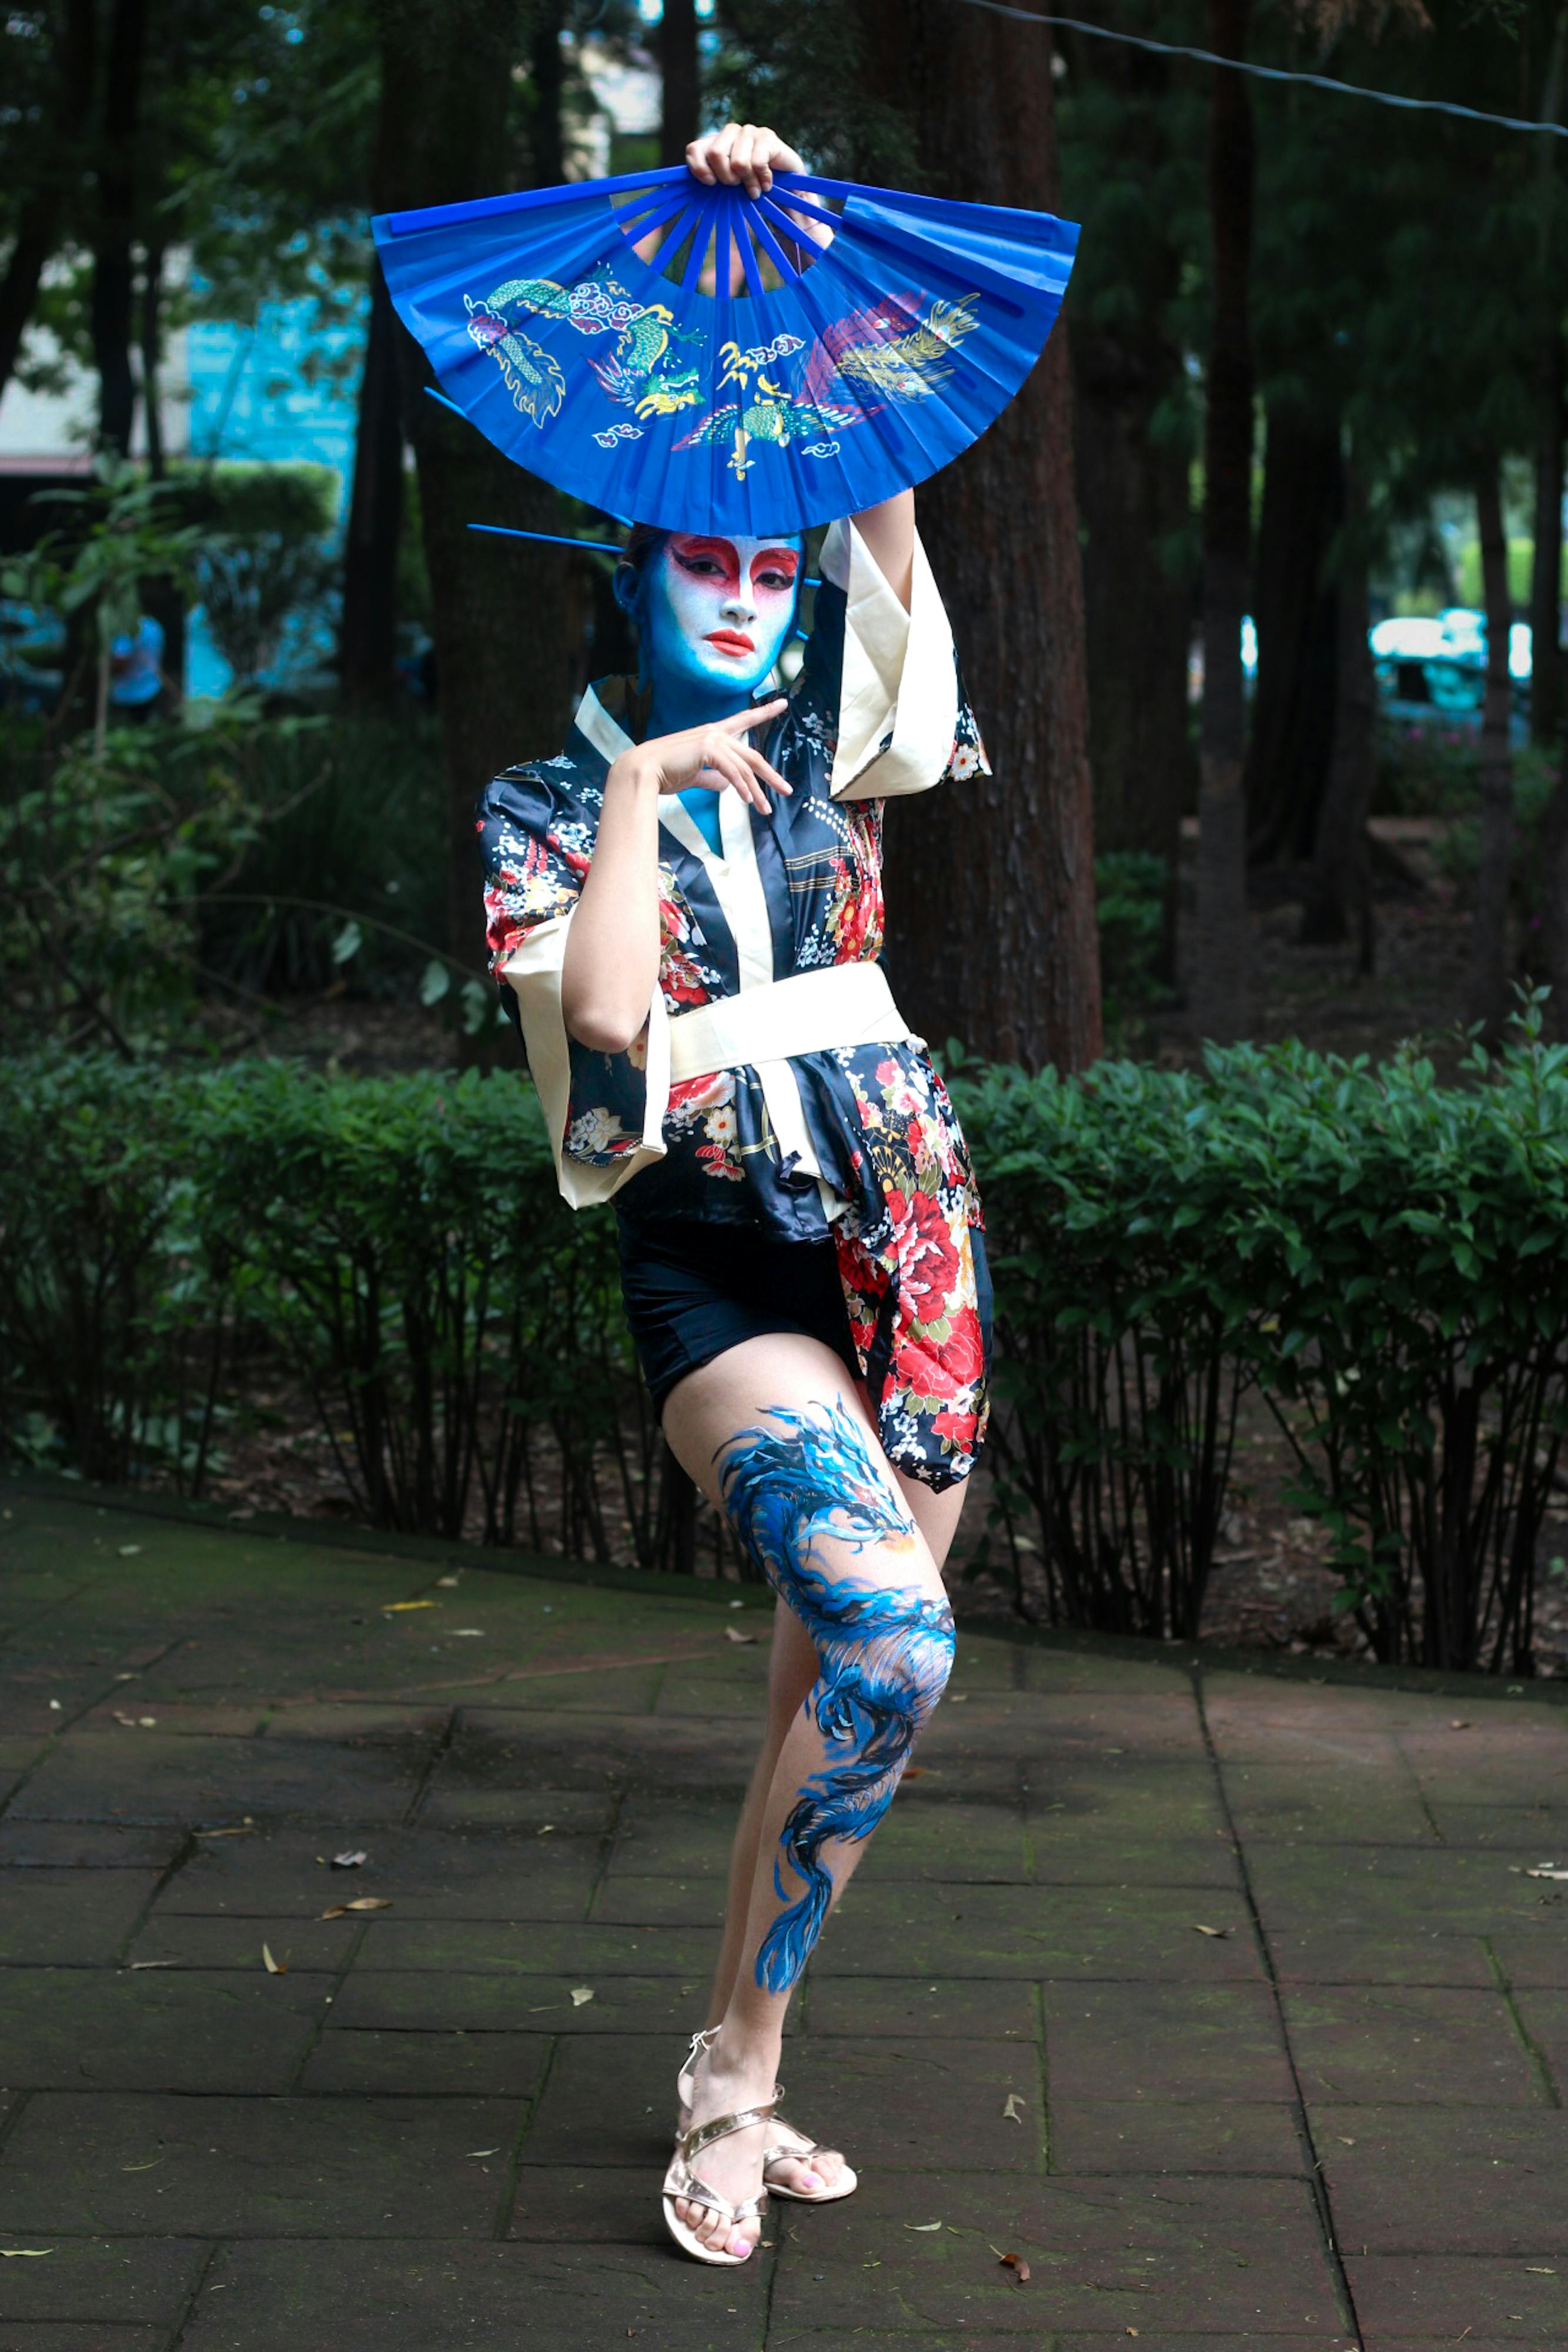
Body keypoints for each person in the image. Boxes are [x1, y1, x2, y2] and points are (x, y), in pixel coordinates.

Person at [478, 120, 993, 2269]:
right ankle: (732, 2076)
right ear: (632, 566)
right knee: (895, 1638)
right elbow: (604, 1044)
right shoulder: (537, 801)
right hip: (722, 1274)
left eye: (773, 569)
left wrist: (803, 228)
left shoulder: (837, 745)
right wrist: (633, 787)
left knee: (825, 1692)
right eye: (713, 558)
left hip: (916, 1250)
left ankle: (734, 2064)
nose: (750, 588)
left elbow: (896, 568)